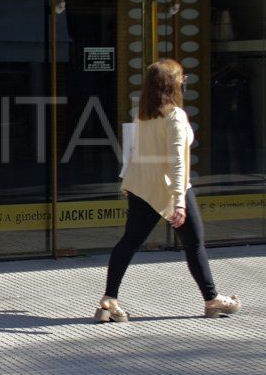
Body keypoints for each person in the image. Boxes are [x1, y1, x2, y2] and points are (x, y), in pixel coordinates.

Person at [96, 58, 241, 323]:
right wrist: (179, 201)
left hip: (141, 185)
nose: (185, 82)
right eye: (182, 78)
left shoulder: (142, 114)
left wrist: (126, 182)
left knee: (129, 242)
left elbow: (134, 152)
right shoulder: (174, 116)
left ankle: (109, 299)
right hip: (169, 187)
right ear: (172, 84)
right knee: (194, 242)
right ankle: (211, 300)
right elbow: (177, 160)